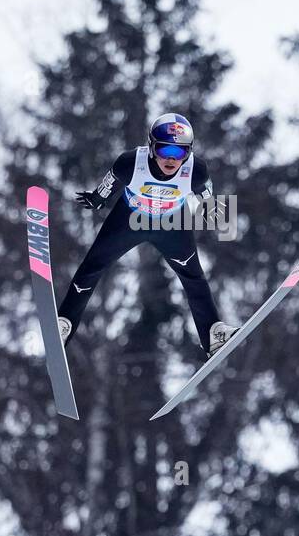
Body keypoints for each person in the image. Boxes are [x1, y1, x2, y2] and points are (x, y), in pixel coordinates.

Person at [57, 113, 235, 356]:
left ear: (189, 152)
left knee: (193, 276)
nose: (171, 160)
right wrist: (97, 199)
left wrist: (214, 214)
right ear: (151, 146)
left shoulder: (197, 171)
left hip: (172, 223)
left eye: (180, 152)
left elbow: (208, 198)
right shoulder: (130, 163)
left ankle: (213, 332)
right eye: (164, 151)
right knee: (93, 265)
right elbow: (108, 185)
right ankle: (65, 322)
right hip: (130, 218)